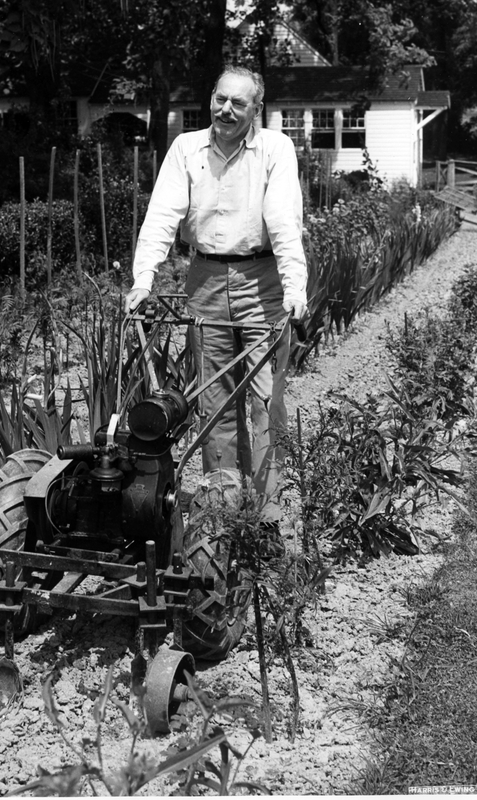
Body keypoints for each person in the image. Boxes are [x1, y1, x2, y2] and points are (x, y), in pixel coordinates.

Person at [124, 65, 308, 535]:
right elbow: (162, 214)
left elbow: (282, 218)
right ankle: (224, 508)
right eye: (220, 98)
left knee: (267, 399)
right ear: (210, 97)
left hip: (262, 281)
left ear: (256, 109)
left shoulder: (274, 149)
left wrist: (295, 288)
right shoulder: (187, 148)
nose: (226, 109)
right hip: (204, 278)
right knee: (215, 402)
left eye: (239, 103)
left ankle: (270, 515)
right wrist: (143, 279)